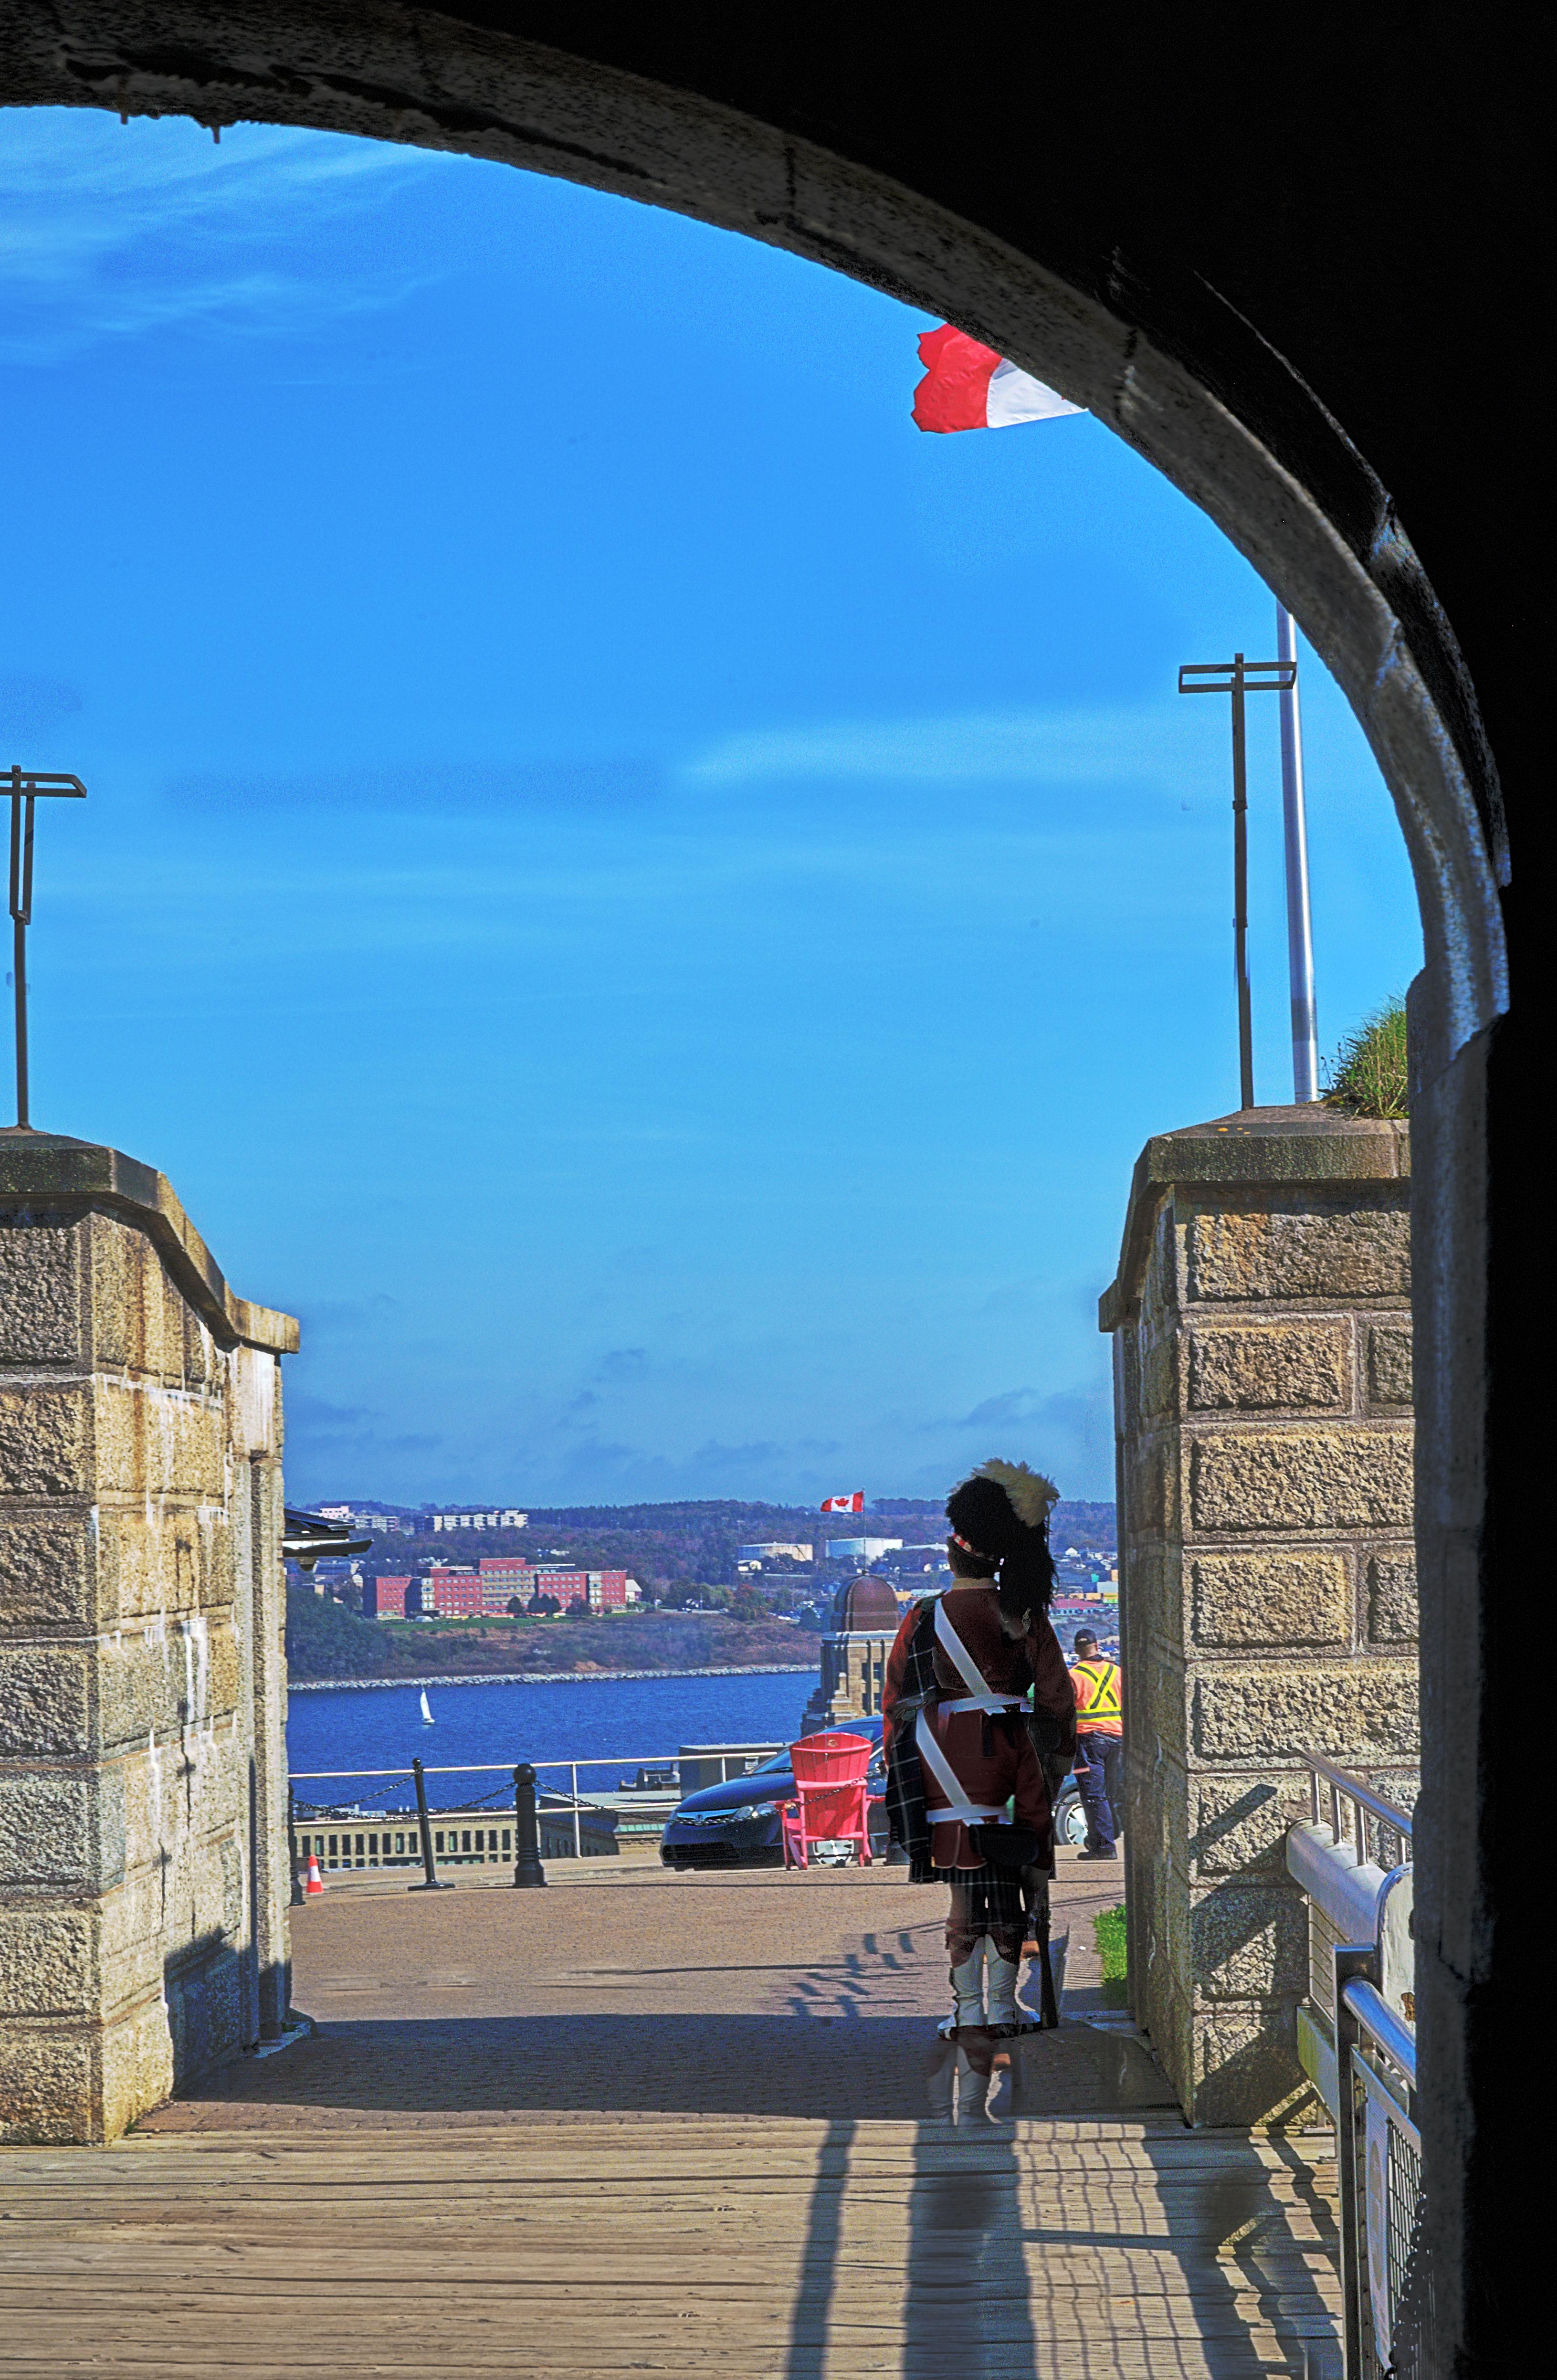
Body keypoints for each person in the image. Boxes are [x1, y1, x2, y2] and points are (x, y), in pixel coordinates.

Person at [882, 1458, 1076, 2035]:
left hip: (949, 1768)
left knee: (965, 1895)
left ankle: (967, 2010)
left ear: (952, 1552)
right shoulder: (1024, 1615)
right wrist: (1051, 1767)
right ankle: (1004, 2006)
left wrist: (908, 1777)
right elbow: (1059, 1700)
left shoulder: (922, 1617)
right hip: (1016, 1764)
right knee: (1015, 1889)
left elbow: (897, 1703)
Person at [1068, 1627, 1123, 1860]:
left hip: (1089, 1741)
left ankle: (1104, 1846)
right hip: (1118, 1739)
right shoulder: (1117, 1672)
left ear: (1077, 1650)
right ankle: (1107, 1838)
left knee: (1093, 1795)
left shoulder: (1074, 1676)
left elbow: (1064, 1710)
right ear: (1097, 1647)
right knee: (1114, 1793)